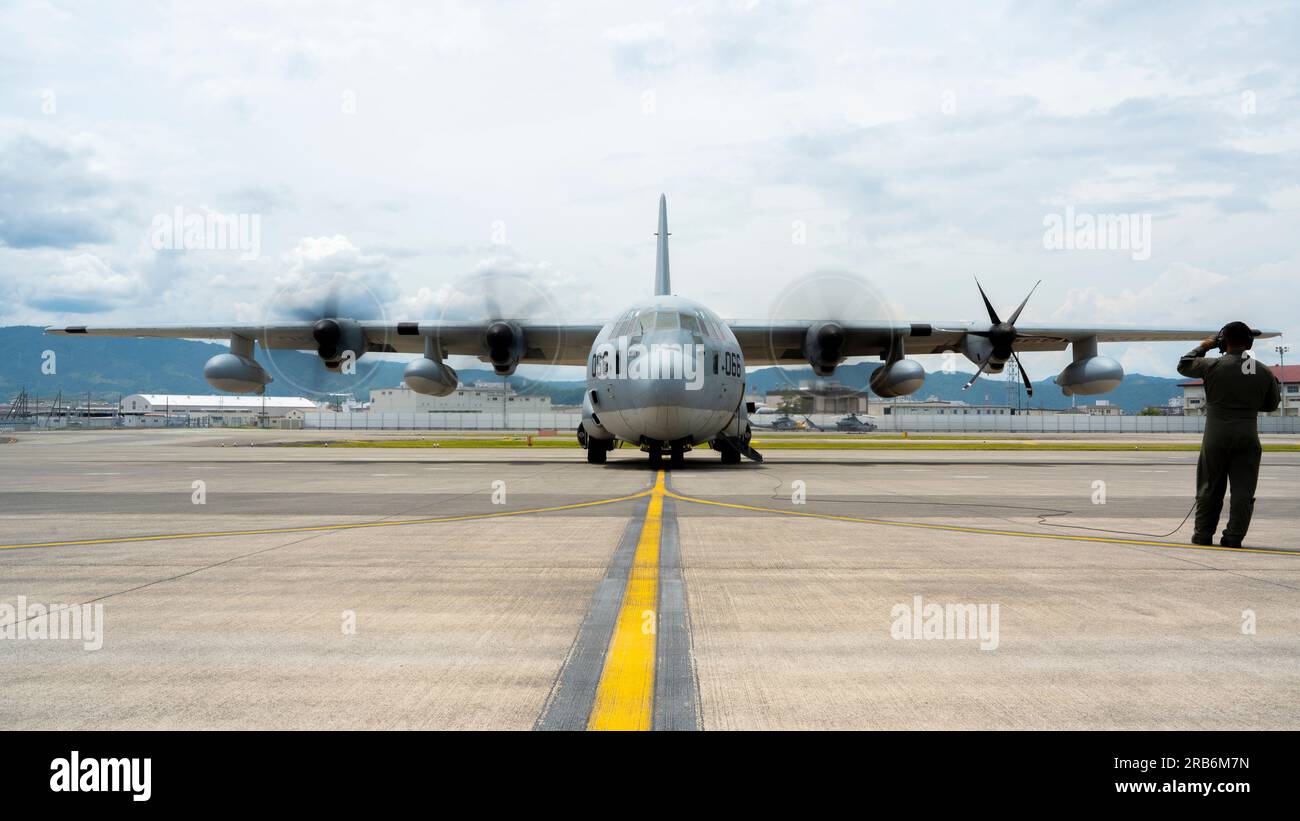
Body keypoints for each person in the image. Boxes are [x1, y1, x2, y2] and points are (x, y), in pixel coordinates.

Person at [1177, 321, 1281, 547]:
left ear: (1223, 343)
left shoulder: (1212, 365)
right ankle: (1234, 536)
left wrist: (1205, 346)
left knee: (1209, 486)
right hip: (1247, 434)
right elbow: (1272, 404)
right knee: (1244, 490)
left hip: (1216, 436)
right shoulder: (1263, 370)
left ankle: (1203, 534)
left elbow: (1183, 365)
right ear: (1250, 343)